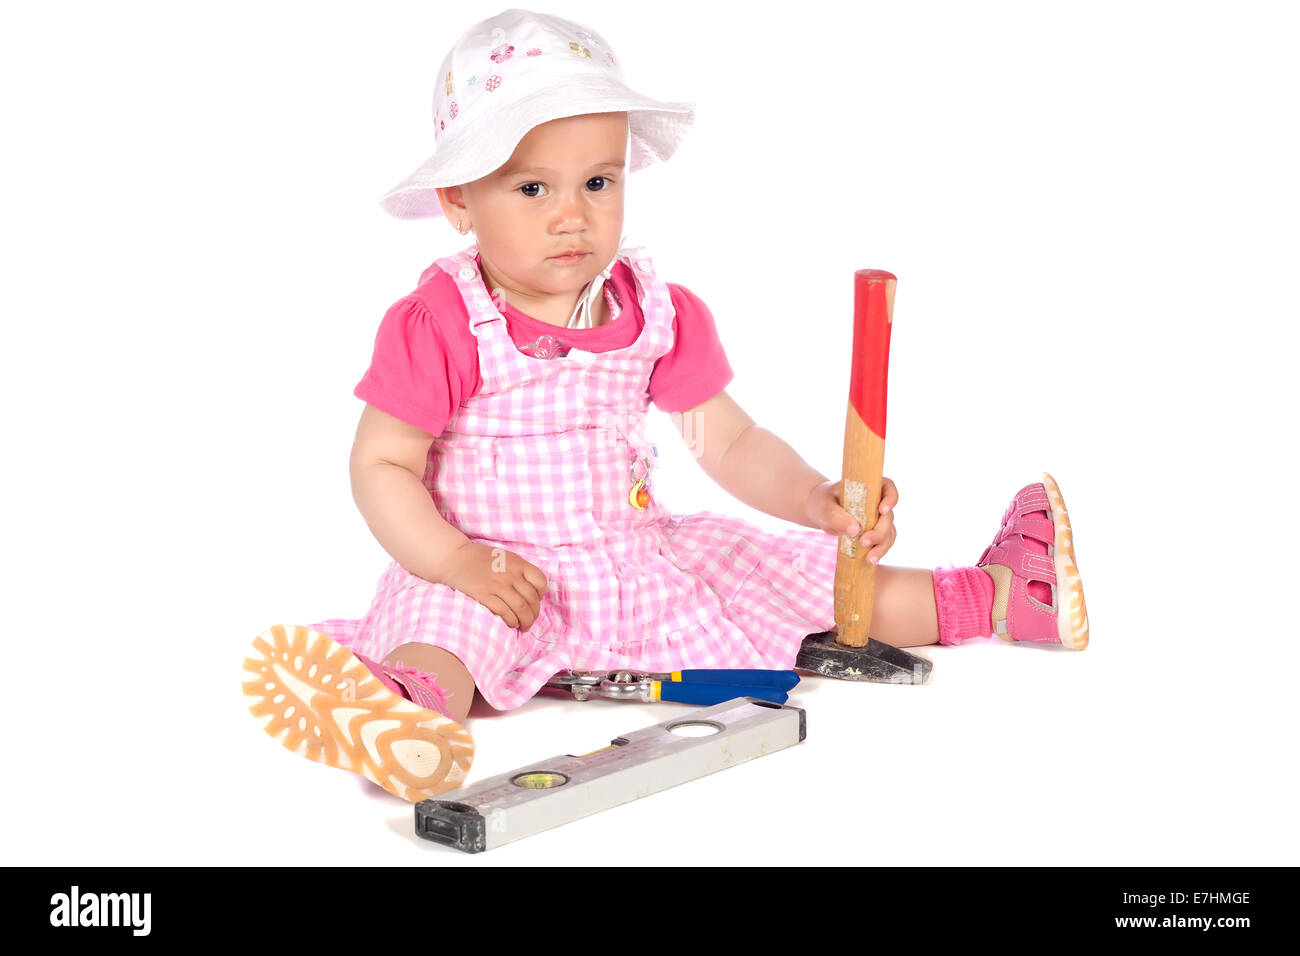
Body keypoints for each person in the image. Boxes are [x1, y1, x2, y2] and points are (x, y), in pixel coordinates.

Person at [242, 8, 1089, 804]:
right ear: (459, 200)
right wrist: (455, 558)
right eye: (533, 190)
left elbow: (726, 440)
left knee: (789, 574)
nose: (573, 215)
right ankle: (402, 716)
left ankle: (1003, 595)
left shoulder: (653, 312)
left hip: (631, 565)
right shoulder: (441, 323)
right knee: (441, 623)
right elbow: (381, 464)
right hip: (500, 574)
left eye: (598, 181)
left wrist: (813, 499)